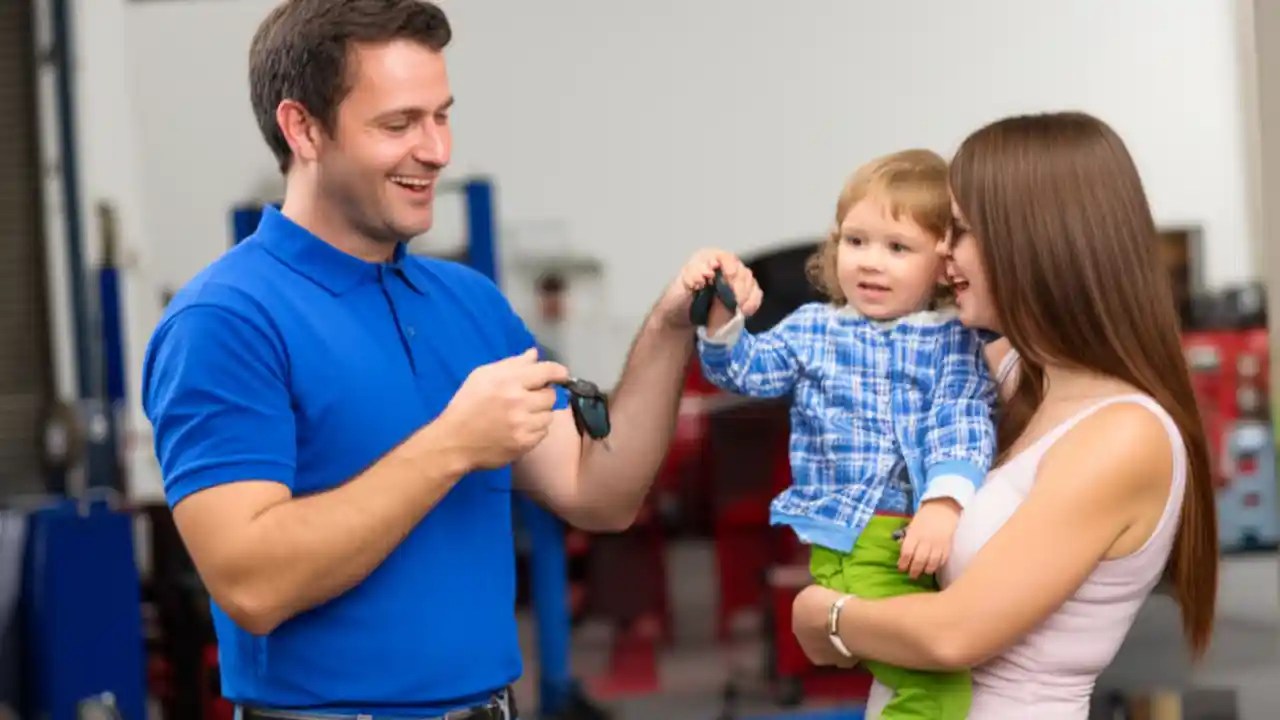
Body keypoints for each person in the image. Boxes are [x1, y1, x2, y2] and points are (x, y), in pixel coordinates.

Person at [139, 1, 760, 718]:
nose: (436, 149)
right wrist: (454, 445)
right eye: (398, 124)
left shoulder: (467, 303)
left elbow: (602, 492)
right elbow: (252, 585)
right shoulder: (225, 321)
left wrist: (667, 327)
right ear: (302, 128)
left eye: (441, 115)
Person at [788, 111, 1219, 718]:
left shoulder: (1124, 434)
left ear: (1033, 242)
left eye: (957, 231)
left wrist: (825, 613)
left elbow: (953, 634)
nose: (940, 254)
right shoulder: (1015, 380)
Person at [691, 149, 996, 719]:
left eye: (898, 247)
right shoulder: (814, 328)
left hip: (917, 538)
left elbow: (963, 422)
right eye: (856, 242)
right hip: (859, 541)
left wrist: (944, 503)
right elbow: (746, 370)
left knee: (925, 677)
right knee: (938, 690)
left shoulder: (953, 338)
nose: (871, 263)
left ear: (942, 263)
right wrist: (720, 316)